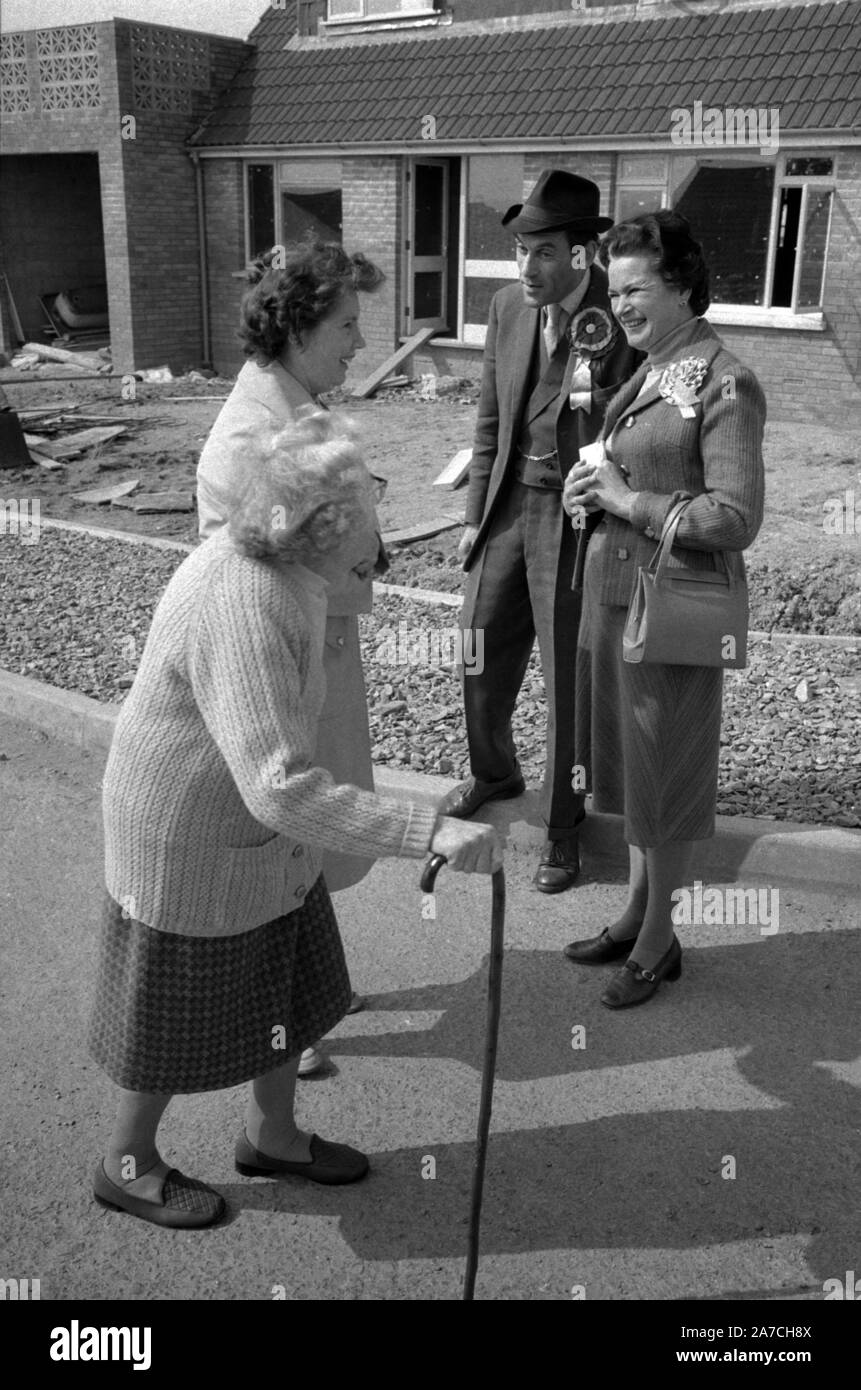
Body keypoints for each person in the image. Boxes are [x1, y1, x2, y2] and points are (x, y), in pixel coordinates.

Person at [89, 412, 501, 1229]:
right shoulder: (242, 599)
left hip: (258, 835)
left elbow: (277, 781)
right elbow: (276, 787)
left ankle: (271, 1135)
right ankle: (125, 1163)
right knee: (174, 1012)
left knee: (286, 980)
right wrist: (428, 830)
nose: (381, 524)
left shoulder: (289, 573)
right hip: (193, 841)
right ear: (323, 527)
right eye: (369, 505)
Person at [562, 209, 765, 1008]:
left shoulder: (723, 379)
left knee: (667, 782)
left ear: (681, 284)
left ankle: (658, 944)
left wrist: (629, 499)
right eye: (614, 293)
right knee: (634, 777)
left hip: (674, 614)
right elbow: (628, 477)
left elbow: (733, 517)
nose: (621, 307)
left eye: (636, 289)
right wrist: (595, 495)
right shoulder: (651, 369)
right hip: (619, 602)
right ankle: (635, 913)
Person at [197, 238, 384, 1075]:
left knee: (305, 847)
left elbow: (335, 541)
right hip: (275, 668)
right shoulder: (254, 437)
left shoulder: (297, 406)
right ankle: (284, 1025)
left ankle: (310, 990)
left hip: (317, 650)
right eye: (346, 324)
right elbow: (281, 569)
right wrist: (360, 553)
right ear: (301, 328)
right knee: (284, 839)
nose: (359, 342)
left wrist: (365, 548)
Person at [440, 170, 643, 893]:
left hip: (575, 521)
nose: (528, 267)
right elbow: (489, 418)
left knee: (566, 677)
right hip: (504, 511)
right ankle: (494, 774)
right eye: (521, 249)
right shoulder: (503, 308)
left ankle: (564, 826)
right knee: (475, 646)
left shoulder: (618, 320)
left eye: (545, 251)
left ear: (582, 253)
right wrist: (471, 520)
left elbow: (630, 427)